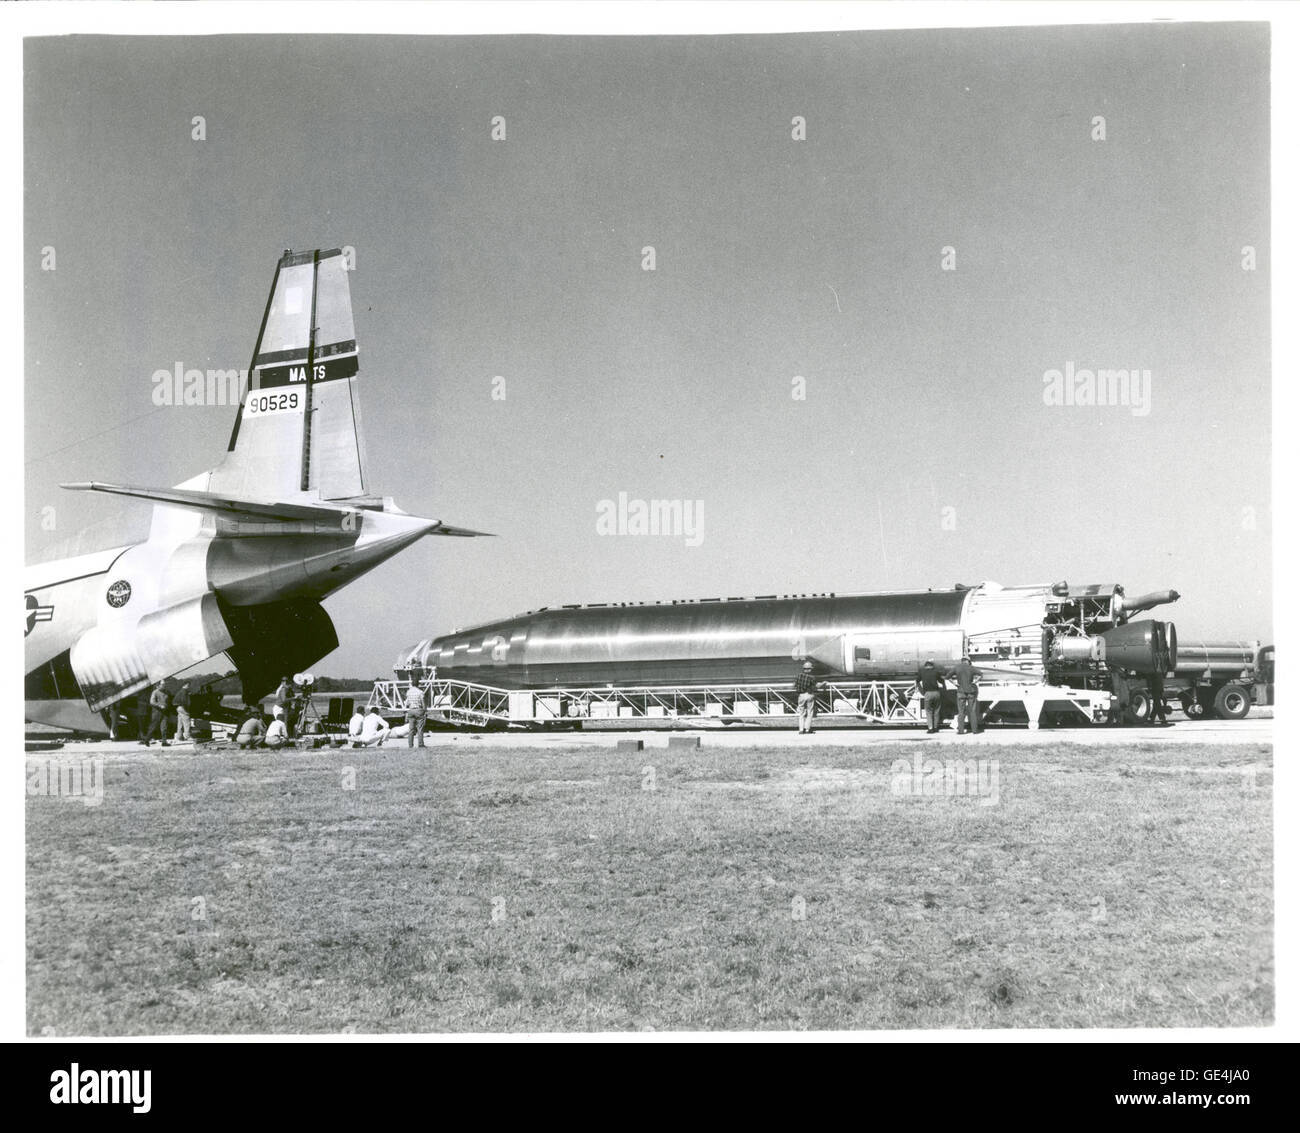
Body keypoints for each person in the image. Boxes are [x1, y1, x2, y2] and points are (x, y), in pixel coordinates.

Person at [913, 659, 947, 734]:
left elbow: (917, 681)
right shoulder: (936, 671)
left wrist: (922, 691)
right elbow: (941, 681)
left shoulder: (922, 672)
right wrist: (944, 687)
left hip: (927, 693)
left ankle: (930, 728)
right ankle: (935, 727)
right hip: (936, 693)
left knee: (928, 711)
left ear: (925, 666)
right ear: (932, 666)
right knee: (937, 711)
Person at [953, 654, 981, 734]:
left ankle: (961, 731)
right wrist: (975, 681)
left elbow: (948, 676)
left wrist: (954, 683)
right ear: (968, 661)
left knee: (961, 712)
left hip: (961, 692)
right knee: (972, 711)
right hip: (970, 692)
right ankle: (975, 731)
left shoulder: (957, 667)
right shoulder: (971, 668)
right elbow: (980, 674)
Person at [794, 661, 819, 734]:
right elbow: (816, 686)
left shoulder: (798, 676)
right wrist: (824, 683)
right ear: (809, 669)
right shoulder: (812, 677)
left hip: (801, 695)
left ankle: (801, 730)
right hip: (809, 695)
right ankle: (807, 729)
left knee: (801, 713)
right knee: (809, 712)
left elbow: (795, 685)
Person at [404, 680, 428, 748]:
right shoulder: (420, 692)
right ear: (418, 684)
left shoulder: (408, 692)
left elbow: (407, 703)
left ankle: (410, 745)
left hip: (411, 710)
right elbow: (423, 702)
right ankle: (420, 744)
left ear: (412, 684)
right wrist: (424, 710)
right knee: (420, 728)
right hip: (418, 710)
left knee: (411, 729)